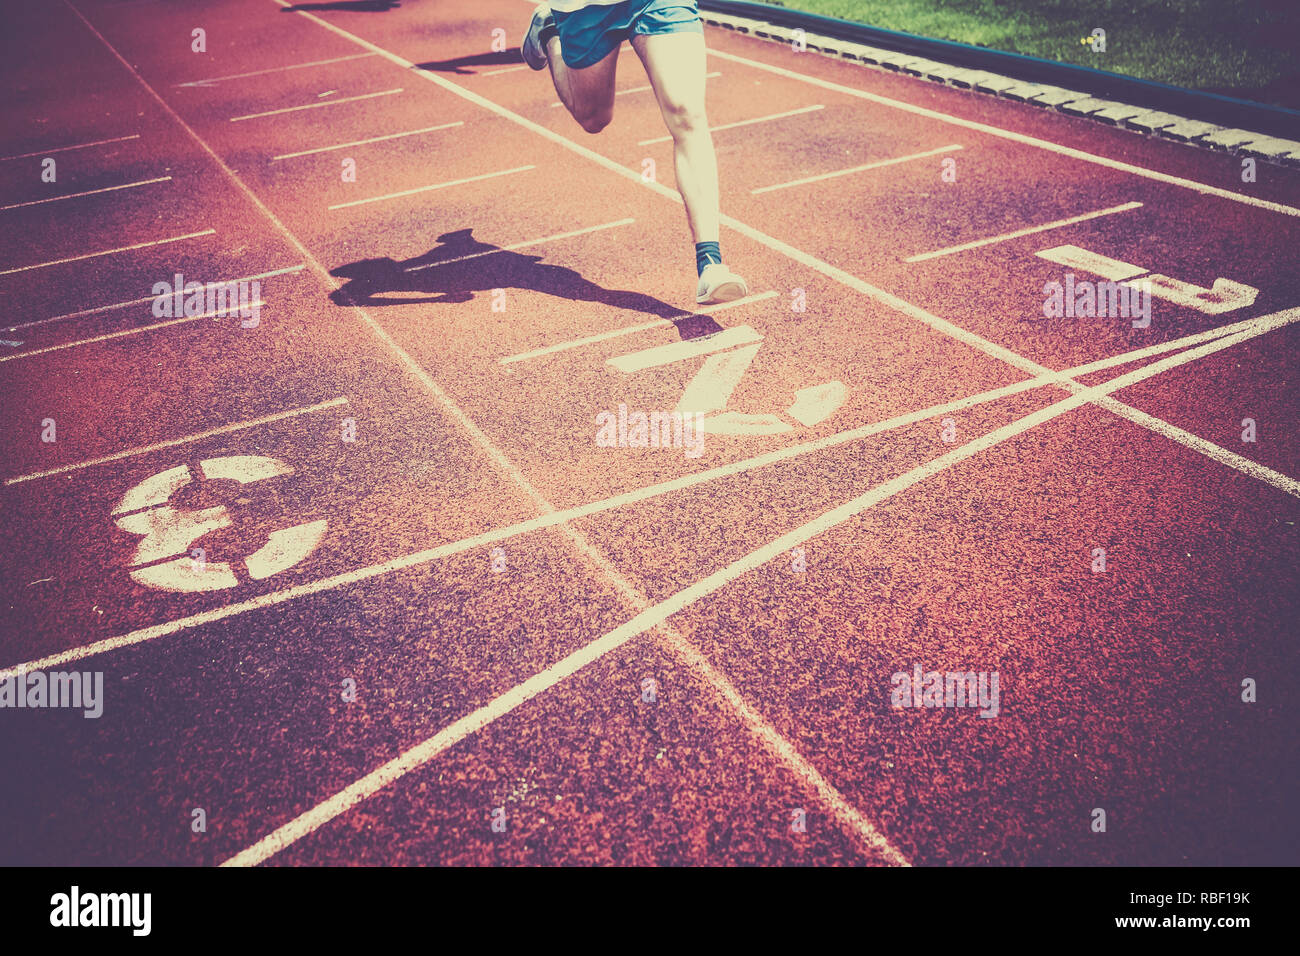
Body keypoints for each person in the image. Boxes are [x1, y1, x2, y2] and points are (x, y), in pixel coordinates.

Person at [521, 1, 749, 305]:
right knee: (593, 117)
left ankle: (711, 263)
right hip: (585, 6)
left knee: (686, 112)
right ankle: (549, 31)